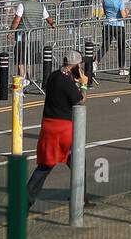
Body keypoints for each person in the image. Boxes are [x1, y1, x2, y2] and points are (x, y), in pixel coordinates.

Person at [27, 50, 87, 209]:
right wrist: (84, 84)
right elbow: (80, 101)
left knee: (47, 163)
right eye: (79, 66)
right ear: (74, 65)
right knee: (75, 163)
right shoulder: (67, 82)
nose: (80, 69)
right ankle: (80, 199)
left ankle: (26, 200)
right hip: (62, 128)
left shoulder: (54, 76)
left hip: (47, 125)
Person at [102, 0, 129, 74]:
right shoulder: (120, 1)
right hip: (118, 26)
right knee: (121, 47)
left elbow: (105, 12)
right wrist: (127, 12)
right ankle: (121, 68)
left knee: (104, 47)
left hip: (107, 24)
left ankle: (94, 62)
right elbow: (123, 15)